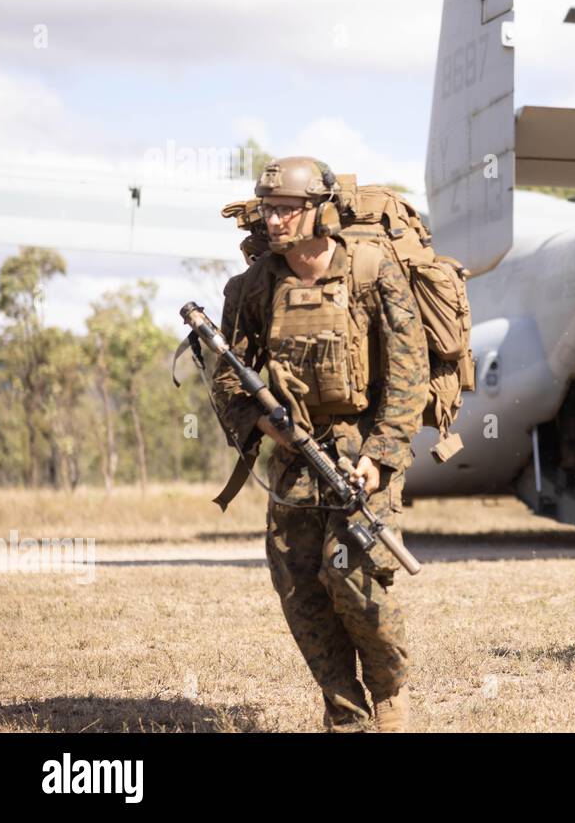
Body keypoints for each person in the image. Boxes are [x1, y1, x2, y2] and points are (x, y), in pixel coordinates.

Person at [210, 156, 429, 730]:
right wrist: (266, 426)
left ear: (319, 211)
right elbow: (230, 380)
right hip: (292, 454)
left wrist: (381, 458)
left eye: (287, 209)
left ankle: (388, 692)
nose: (275, 220)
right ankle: (344, 710)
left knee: (354, 576)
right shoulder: (254, 287)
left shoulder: (371, 271)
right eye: (269, 208)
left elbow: (410, 374)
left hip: (363, 450)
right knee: (300, 587)